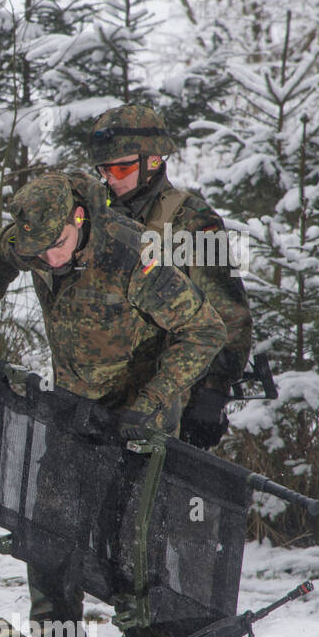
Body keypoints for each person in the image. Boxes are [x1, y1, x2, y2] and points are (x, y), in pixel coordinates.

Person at [0, 172, 226, 637]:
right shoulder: (35, 235)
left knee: (134, 558)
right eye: (37, 254)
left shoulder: (132, 255)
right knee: (48, 540)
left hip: (137, 426)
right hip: (72, 415)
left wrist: (150, 403)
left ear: (79, 220)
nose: (47, 262)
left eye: (56, 249)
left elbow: (204, 331)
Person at [88, 104, 252, 450]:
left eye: (121, 167)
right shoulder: (93, 214)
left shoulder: (192, 220)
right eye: (104, 169)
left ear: (153, 161)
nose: (111, 178)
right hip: (95, 395)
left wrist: (212, 394)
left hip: (163, 403)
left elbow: (228, 314)